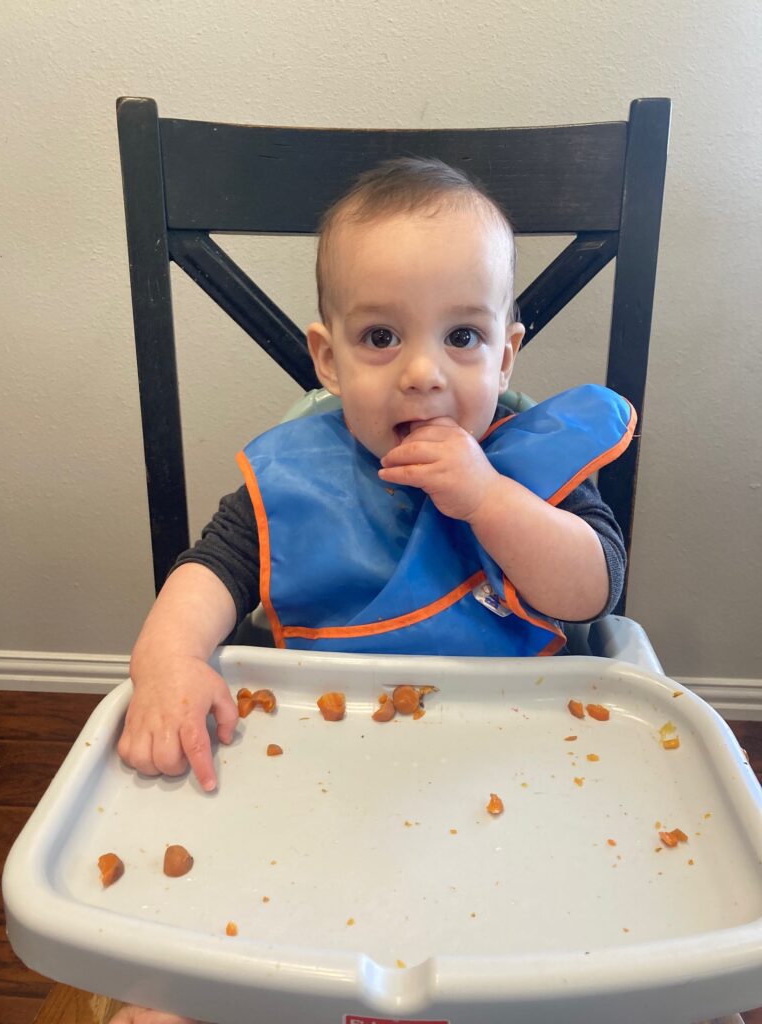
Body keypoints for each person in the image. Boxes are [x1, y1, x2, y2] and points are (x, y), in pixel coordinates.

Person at [110, 157, 633, 1024]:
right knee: (232, 908)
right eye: (382, 337)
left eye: (462, 337)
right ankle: (210, 989)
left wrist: (490, 500)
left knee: (578, 943)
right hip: (318, 778)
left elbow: (593, 592)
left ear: (506, 353)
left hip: (512, 774)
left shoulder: (535, 471)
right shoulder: (297, 481)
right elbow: (212, 568)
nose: (423, 372)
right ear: (328, 356)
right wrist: (166, 656)